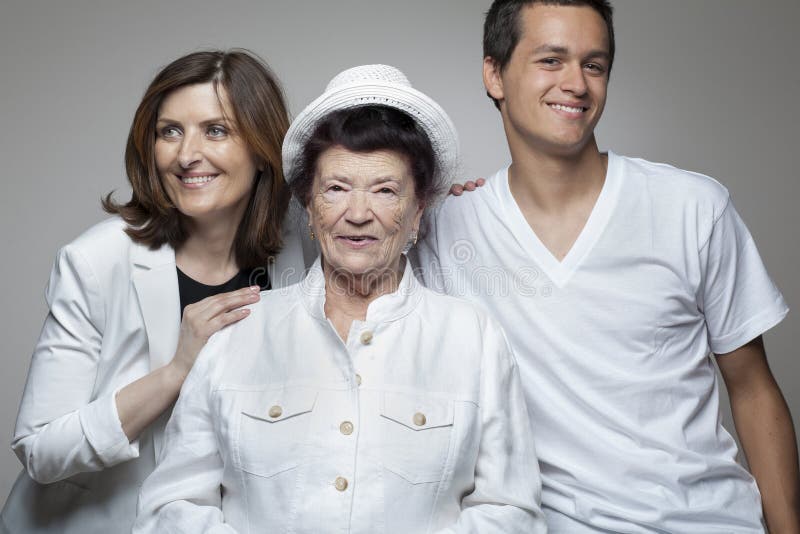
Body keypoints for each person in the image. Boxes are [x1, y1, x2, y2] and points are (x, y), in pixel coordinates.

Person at [413, 0, 800, 532]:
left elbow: (753, 388)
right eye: (551, 60)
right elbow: (327, 240)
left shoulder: (692, 207)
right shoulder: (442, 228)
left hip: (705, 520)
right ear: (494, 74)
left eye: (593, 65)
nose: (576, 82)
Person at [133, 64, 546, 533]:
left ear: (417, 213)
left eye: (385, 191)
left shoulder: (474, 339)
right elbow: (171, 505)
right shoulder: (239, 332)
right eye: (336, 188)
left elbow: (511, 511)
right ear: (309, 206)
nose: (357, 214)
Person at [1, 49, 313, 534]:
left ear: (261, 146)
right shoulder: (96, 261)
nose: (186, 155)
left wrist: (453, 198)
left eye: (216, 130)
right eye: (170, 131)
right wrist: (177, 371)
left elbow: (388, 221)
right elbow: (40, 448)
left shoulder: (302, 247)